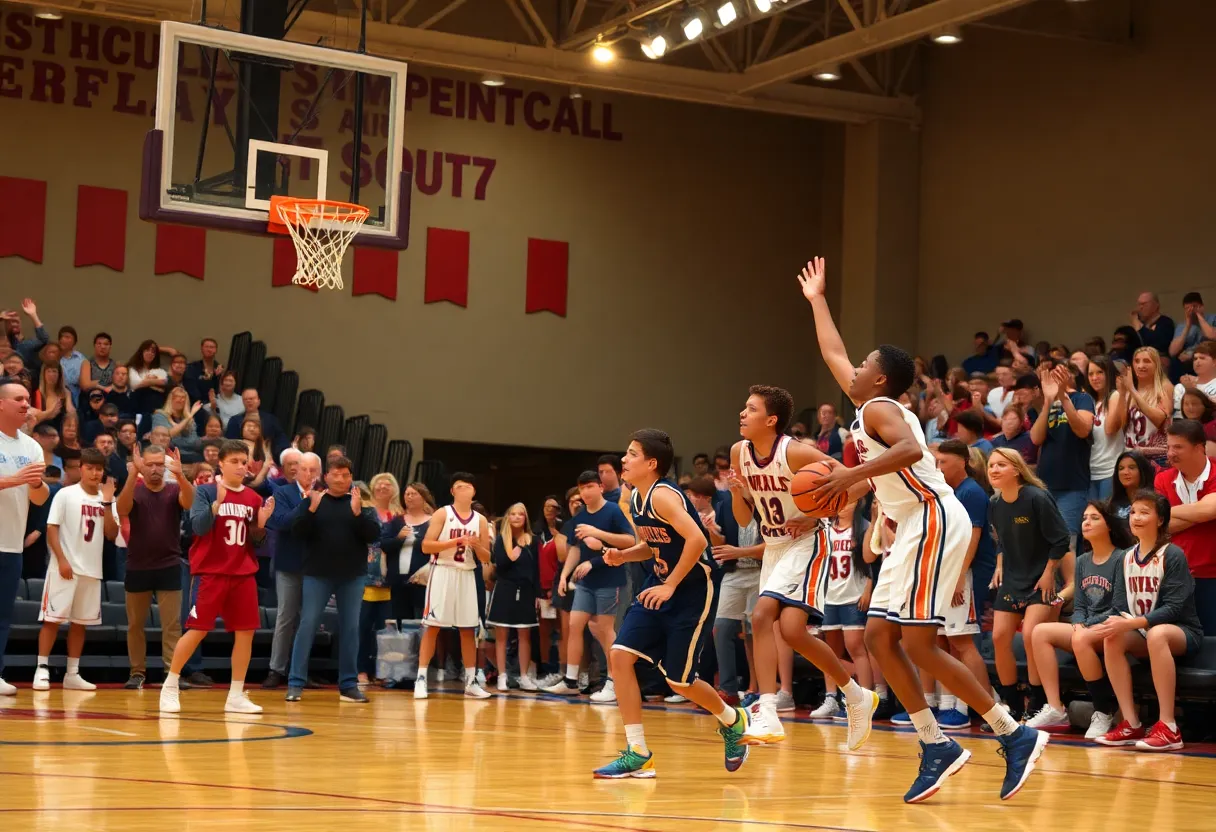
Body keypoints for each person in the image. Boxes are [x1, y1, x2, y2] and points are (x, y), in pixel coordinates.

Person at [799, 256, 1047, 804]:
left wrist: (849, 473)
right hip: (912, 520)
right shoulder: (870, 407)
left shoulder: (880, 409)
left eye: (862, 365)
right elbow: (832, 353)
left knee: (917, 641)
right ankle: (936, 744)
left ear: (879, 378)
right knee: (878, 637)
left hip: (932, 516)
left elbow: (914, 452)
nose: (852, 369)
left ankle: (1014, 733)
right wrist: (818, 300)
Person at [591, 429, 750, 779]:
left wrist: (671, 585)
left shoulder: (663, 496)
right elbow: (655, 544)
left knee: (679, 681)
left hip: (692, 590)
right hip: (659, 585)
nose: (623, 459)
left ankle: (732, 719)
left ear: (651, 463)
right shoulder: (636, 498)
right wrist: (624, 554)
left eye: (631, 454)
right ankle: (638, 751)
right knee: (619, 655)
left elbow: (697, 539)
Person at [726, 383, 876, 748]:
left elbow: (860, 480)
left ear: (771, 419)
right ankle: (856, 695)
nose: (743, 414)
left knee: (761, 617)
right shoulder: (738, 453)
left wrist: (817, 515)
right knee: (792, 632)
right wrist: (735, 492)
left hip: (808, 542)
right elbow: (745, 520)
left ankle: (767, 710)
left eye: (751, 408)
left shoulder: (794, 453)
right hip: (776, 546)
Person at [159, 440, 274, 715]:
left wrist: (262, 523)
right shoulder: (206, 491)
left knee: (245, 634)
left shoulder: (253, 498)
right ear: (220, 463)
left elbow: (256, 542)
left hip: (243, 573)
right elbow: (197, 527)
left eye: (244, 462)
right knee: (197, 629)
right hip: (211, 572)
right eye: (234, 461)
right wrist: (216, 506)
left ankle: (235, 694)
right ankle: (170, 685)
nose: (240, 466)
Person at [1094, 491, 1204, 751]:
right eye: (1133, 512)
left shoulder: (1173, 554)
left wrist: (1133, 624)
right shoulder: (1125, 557)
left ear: (1160, 520)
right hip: (1144, 632)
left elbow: (1175, 609)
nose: (1137, 517)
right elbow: (1120, 606)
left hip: (1182, 632)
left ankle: (1169, 727)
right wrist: (1101, 625)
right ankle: (1131, 722)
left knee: (1157, 634)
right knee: (1112, 635)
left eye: (1145, 512)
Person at [1025, 501, 1131, 737]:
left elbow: (1120, 607)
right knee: (1040, 632)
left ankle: (1103, 711)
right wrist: (1078, 621)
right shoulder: (1083, 560)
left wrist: (1086, 625)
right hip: (1087, 626)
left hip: (1114, 626)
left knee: (1080, 637)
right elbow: (1080, 604)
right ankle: (1055, 707)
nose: (1087, 522)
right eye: (1084, 518)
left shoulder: (1121, 558)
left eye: (1094, 518)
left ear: (1109, 526)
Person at [286, 457, 380, 703]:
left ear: (351, 478)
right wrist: (311, 509)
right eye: (335, 474)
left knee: (350, 629)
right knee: (307, 625)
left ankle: (348, 685)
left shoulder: (361, 505)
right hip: (318, 574)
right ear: (325, 476)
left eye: (345, 475)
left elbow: (374, 535)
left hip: (352, 575)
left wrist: (358, 514)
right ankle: (296, 683)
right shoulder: (313, 501)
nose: (340, 479)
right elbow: (296, 532)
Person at [987, 447, 1071, 720]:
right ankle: (1011, 704)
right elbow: (1000, 540)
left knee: (1033, 634)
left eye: (1001, 464)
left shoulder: (1037, 497)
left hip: (1041, 579)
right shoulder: (995, 503)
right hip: (1013, 579)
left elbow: (1060, 539)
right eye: (990, 465)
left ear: (1017, 468)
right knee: (999, 637)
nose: (994, 470)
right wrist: (1000, 565)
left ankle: (1037, 703)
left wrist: (1049, 573)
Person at [546, 471, 636, 702]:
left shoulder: (613, 511)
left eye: (589, 487)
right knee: (575, 625)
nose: (585, 492)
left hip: (609, 579)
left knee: (606, 630)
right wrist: (565, 576)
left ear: (600, 487)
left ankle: (613, 683)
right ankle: (570, 681)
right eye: (581, 488)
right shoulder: (579, 516)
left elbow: (630, 541)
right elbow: (575, 548)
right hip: (585, 582)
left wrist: (598, 535)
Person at [32, 448, 117, 691]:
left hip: (92, 570)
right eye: (89, 468)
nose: (94, 472)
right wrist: (61, 560)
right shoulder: (65, 494)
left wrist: (109, 502)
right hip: (64, 568)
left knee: (80, 623)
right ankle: (41, 668)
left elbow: (112, 534)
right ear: (81, 468)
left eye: (98, 469)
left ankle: (72, 673)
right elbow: (51, 528)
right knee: (52, 619)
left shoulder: (106, 498)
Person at [115, 444, 194, 689]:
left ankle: (172, 674)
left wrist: (180, 475)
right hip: (137, 566)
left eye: (160, 464)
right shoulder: (135, 490)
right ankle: (137, 673)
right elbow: (122, 509)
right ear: (141, 465)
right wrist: (131, 474)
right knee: (135, 625)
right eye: (149, 464)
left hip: (169, 565)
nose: (155, 469)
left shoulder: (173, 489)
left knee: (172, 625)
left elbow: (189, 502)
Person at [932, 440, 997, 730]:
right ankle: (970, 704)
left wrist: (959, 576)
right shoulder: (953, 491)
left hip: (966, 575)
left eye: (943, 462)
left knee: (962, 641)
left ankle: (990, 709)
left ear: (963, 461)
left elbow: (973, 536)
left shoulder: (971, 492)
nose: (939, 467)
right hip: (952, 574)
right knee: (947, 640)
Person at [414, 473, 492, 700]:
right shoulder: (442, 513)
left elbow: (486, 556)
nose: (464, 489)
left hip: (467, 575)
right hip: (443, 572)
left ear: (473, 491)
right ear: (452, 491)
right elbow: (426, 546)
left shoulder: (480, 521)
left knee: (468, 629)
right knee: (433, 625)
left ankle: (471, 681)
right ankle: (420, 679)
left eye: (468, 486)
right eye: (459, 486)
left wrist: (477, 546)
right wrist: (453, 542)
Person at [0, 376, 50, 695]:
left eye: (27, 399)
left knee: (4, 614)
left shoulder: (31, 446)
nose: (25, 404)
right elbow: (13, 481)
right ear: (1, 404)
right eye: (18, 399)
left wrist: (35, 485)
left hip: (10, 544)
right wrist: (14, 479)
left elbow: (40, 499)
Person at [809, 499, 874, 721]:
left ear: (857, 503)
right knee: (830, 652)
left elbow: (873, 563)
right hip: (829, 597)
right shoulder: (825, 528)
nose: (844, 505)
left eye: (849, 501)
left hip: (854, 597)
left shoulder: (863, 527)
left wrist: (868, 589)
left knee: (856, 647)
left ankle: (865, 700)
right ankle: (831, 697)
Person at [263, 452, 321, 689]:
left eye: (312, 470)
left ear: (318, 472)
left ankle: (300, 671)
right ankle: (276, 669)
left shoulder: (326, 495)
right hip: (289, 564)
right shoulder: (283, 493)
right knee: (285, 617)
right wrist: (308, 505)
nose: (308, 474)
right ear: (295, 470)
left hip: (316, 566)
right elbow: (283, 522)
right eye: (303, 469)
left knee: (309, 620)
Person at [1154, 420, 1216, 635]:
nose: (1170, 453)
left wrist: (1165, 513)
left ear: (1199, 448)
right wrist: (1201, 512)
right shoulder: (1162, 479)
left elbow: (1210, 510)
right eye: (1169, 447)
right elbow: (1156, 527)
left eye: (1178, 447)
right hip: (1174, 577)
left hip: (1212, 574)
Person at [1030, 361, 1095, 542]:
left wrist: (1062, 395)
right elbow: (1036, 438)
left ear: (1070, 377)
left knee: (1067, 541)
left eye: (1060, 373)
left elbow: (1083, 430)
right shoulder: (1047, 402)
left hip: (1072, 484)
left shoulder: (1082, 398)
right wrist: (1049, 400)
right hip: (1045, 484)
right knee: (1043, 541)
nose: (1055, 378)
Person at [486, 502, 540, 690]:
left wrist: (538, 594)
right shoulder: (502, 540)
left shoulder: (533, 540)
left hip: (526, 591)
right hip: (505, 589)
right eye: (513, 514)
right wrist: (514, 553)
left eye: (521, 514)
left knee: (525, 634)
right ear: (508, 517)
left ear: (526, 519)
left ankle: (524, 676)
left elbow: (536, 570)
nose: (517, 517)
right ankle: (502, 675)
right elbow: (500, 565)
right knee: (502, 635)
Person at [1085, 355, 1126, 500]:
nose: (1094, 377)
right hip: (1090, 470)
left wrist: (1122, 393)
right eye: (1091, 374)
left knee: (1107, 518)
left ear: (1109, 373)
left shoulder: (1115, 396)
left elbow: (1110, 429)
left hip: (1110, 470)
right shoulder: (1088, 401)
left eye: (1099, 372)